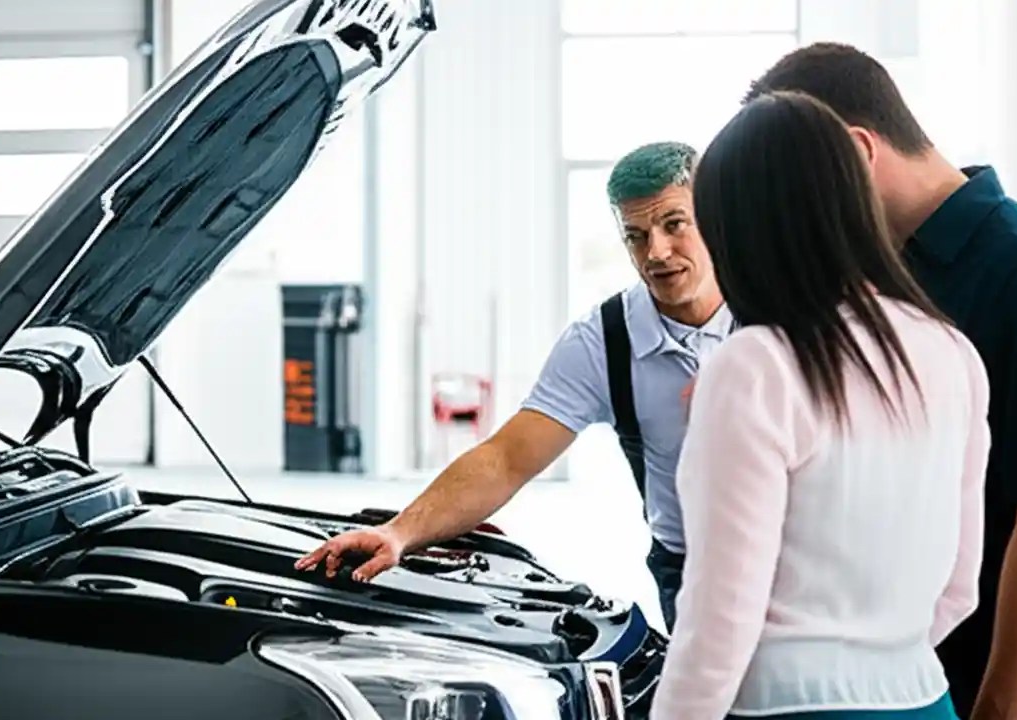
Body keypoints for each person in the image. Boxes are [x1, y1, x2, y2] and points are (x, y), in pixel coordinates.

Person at [746, 42, 1017, 720]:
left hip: (1010, 674)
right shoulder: (877, 270)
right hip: (898, 666)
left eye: (798, 188)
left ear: (855, 152)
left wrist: (998, 712)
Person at [295, 141, 734, 629]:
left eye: (675, 225)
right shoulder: (604, 341)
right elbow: (504, 460)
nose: (656, 252)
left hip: (804, 556)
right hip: (694, 572)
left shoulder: (783, 308)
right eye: (635, 235)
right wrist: (399, 532)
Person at [651, 89, 990, 720]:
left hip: (784, 708)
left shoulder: (757, 365)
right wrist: (879, 659)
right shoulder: (952, 353)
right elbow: (959, 588)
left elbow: (720, 616)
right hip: (924, 697)